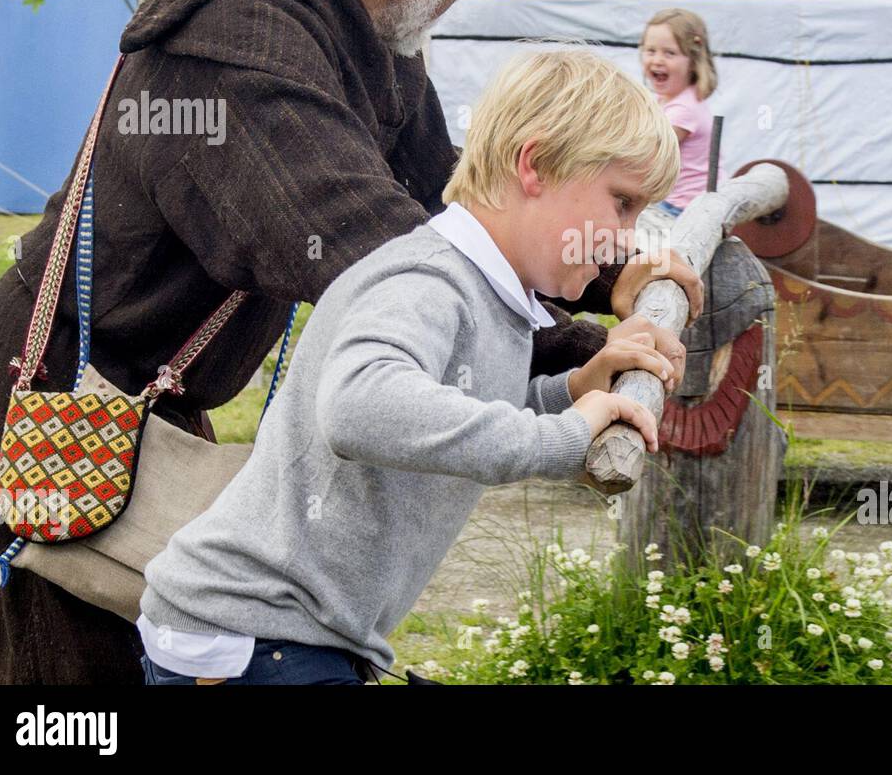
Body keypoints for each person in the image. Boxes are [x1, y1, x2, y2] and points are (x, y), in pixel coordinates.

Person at [0, 0, 701, 685]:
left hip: (147, 407)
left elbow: (450, 195)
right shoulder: (244, 35)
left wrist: (609, 270)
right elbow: (377, 252)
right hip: (56, 397)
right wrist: (584, 361)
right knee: (59, 691)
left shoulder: (366, 36)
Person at [137, 48, 681, 685]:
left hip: (283, 635)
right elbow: (361, 406)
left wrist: (568, 394)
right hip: (258, 637)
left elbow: (452, 401)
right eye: (622, 203)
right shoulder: (428, 279)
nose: (625, 238)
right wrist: (558, 438)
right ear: (534, 165)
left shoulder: (489, 293)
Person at [639, 8, 718, 217]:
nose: (657, 60)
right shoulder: (667, 100)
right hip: (675, 202)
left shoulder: (684, 109)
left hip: (680, 208)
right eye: (650, 51)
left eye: (669, 53)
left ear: (692, 62)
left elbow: (646, 154)